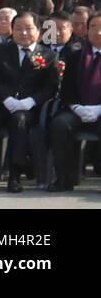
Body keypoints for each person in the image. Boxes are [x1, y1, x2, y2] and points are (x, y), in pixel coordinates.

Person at [0, 11, 59, 192]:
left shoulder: (48, 55)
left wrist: (30, 101)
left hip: (28, 109)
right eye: (18, 29)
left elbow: (50, 87)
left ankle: (15, 176)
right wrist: (6, 99)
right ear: (12, 31)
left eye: (28, 29)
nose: (23, 33)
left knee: (20, 121)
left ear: (38, 31)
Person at [48, 12, 101, 191]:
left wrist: (98, 109)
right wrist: (77, 107)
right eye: (93, 27)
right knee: (60, 124)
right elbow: (66, 90)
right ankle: (64, 178)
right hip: (78, 110)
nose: (98, 32)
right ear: (86, 30)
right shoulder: (75, 55)